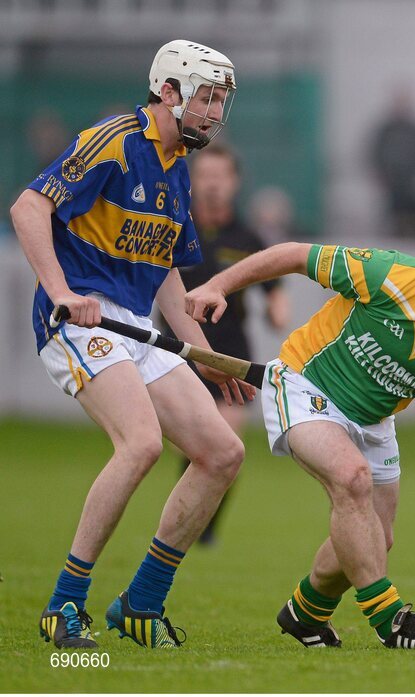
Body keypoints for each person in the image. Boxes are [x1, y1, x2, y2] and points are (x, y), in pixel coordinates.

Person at [183, 225, 415, 649]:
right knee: (352, 478)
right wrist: (217, 285)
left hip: (375, 420)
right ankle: (390, 619)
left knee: (377, 536)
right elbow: (294, 255)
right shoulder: (392, 275)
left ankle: (305, 613)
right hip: (307, 384)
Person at [10, 40, 252, 650]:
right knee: (141, 442)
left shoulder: (177, 168)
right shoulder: (116, 138)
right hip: (80, 321)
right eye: (206, 96)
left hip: (136, 326)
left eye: (222, 99)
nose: (215, 110)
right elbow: (28, 206)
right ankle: (64, 606)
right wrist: (63, 290)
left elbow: (166, 271)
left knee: (222, 451)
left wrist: (200, 352)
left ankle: (141, 604)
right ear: (167, 91)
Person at [163, 142, 290, 546]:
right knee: (197, 445)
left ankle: (206, 529)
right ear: (192, 180)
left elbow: (275, 291)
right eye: (205, 176)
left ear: (234, 183)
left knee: (227, 443)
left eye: (221, 177)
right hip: (175, 352)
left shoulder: (248, 237)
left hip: (230, 353)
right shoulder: (173, 226)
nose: (213, 185)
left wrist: (277, 312)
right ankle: (184, 522)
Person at [369, 86, 415, 239]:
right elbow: (375, 151)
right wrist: (379, 172)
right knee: (393, 209)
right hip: (391, 178)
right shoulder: (386, 129)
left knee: (413, 208)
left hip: (412, 178)